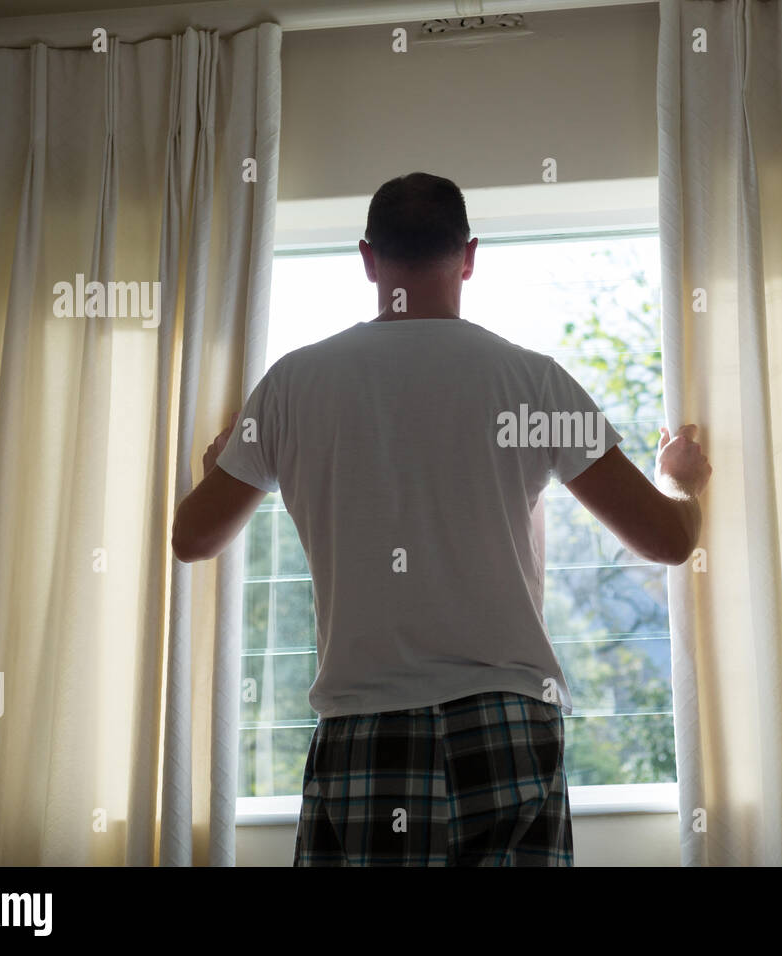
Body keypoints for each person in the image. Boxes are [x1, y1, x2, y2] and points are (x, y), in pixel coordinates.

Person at [171, 171, 711, 866]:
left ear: (368, 258)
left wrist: (225, 470)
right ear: (469, 256)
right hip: (507, 724)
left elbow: (192, 539)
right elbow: (668, 539)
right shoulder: (532, 380)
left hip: (364, 728)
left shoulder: (292, 384)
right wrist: (679, 479)